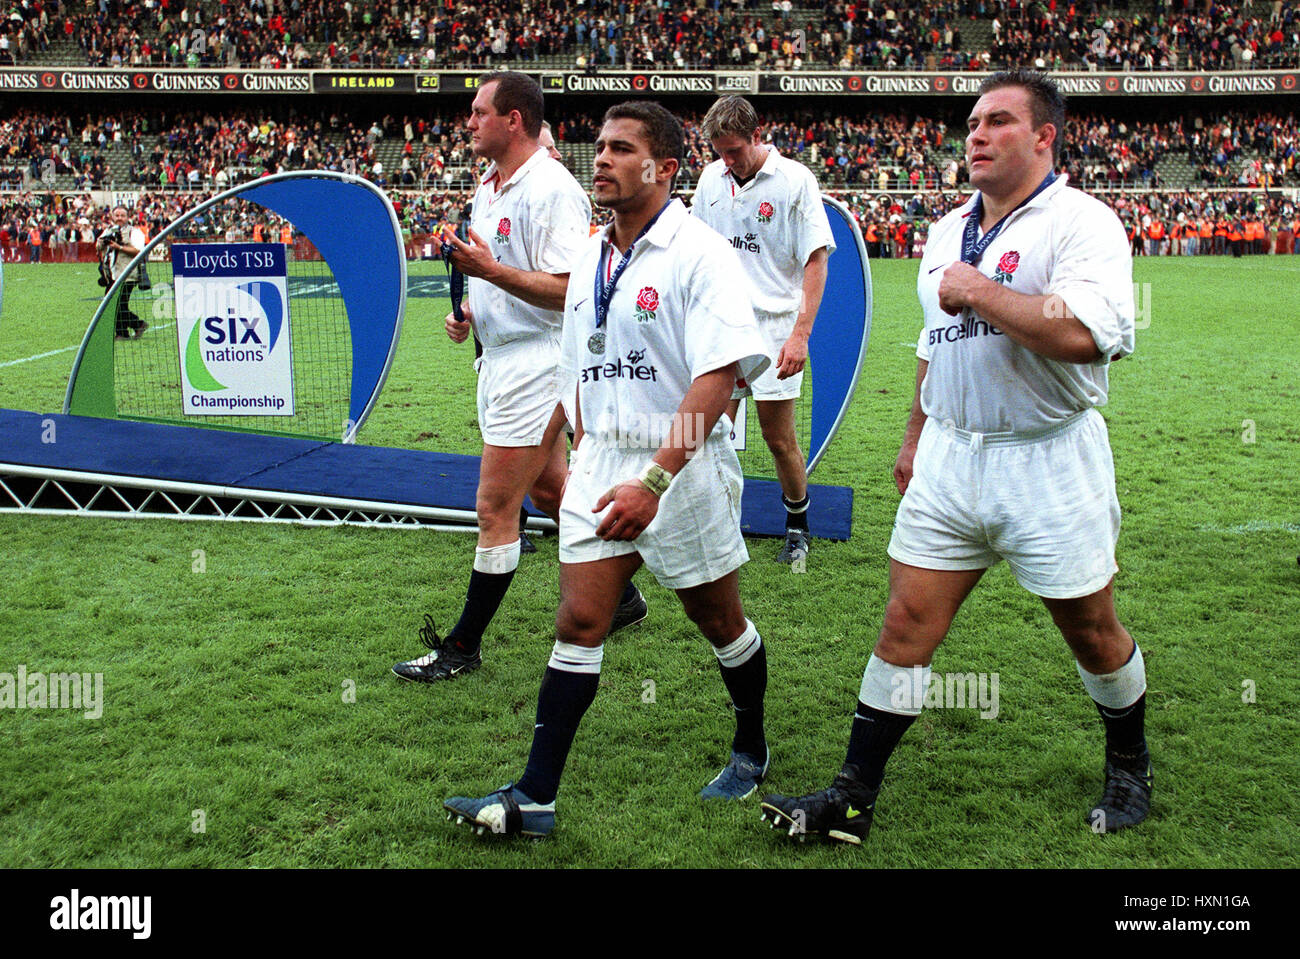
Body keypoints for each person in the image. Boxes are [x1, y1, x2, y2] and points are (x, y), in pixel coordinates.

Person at [760, 70, 1148, 844]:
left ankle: (1130, 762)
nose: (975, 134)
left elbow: (1085, 333)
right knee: (904, 622)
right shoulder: (947, 230)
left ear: (1044, 137)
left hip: (1047, 455)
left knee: (1090, 628)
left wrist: (978, 290)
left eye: (998, 121)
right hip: (950, 456)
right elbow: (936, 347)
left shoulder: (1083, 222)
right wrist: (912, 435)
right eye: (971, 122)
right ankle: (853, 796)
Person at [443, 101, 773, 837]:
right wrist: (578, 437)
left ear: (663, 165)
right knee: (580, 618)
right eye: (599, 146)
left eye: (622, 148)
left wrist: (653, 480)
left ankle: (751, 745)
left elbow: (716, 379)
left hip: (679, 464)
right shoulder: (593, 253)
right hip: (602, 460)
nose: (602, 159)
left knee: (716, 618)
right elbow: (576, 357)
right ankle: (535, 796)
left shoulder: (701, 254)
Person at [392, 72, 647, 685]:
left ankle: (462, 645)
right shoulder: (490, 186)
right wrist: (472, 311)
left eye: (479, 112)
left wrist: (489, 273)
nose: (469, 121)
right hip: (501, 356)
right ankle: (623, 596)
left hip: (538, 361)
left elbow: (569, 290)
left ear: (513, 120)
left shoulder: (552, 188)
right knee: (552, 494)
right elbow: (499, 272)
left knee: (493, 506)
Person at [690, 96, 834, 564]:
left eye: (733, 150)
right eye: (719, 151)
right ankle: (712, 523)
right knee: (707, 431)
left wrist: (801, 335)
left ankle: (797, 526)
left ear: (757, 135)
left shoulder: (795, 180)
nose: (726, 160)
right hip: (723, 326)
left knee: (778, 438)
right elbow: (695, 248)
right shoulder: (712, 178)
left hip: (775, 329)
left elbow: (816, 258)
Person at [98, 205, 147, 340]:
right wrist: (102, 242)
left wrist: (119, 246)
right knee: (111, 304)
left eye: (122, 215)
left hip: (128, 274)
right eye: (117, 215)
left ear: (128, 217)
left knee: (118, 304)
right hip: (112, 274)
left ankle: (137, 324)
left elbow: (139, 251)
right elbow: (99, 247)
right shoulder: (109, 231)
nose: (119, 218)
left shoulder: (134, 232)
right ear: (112, 217)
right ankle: (123, 332)